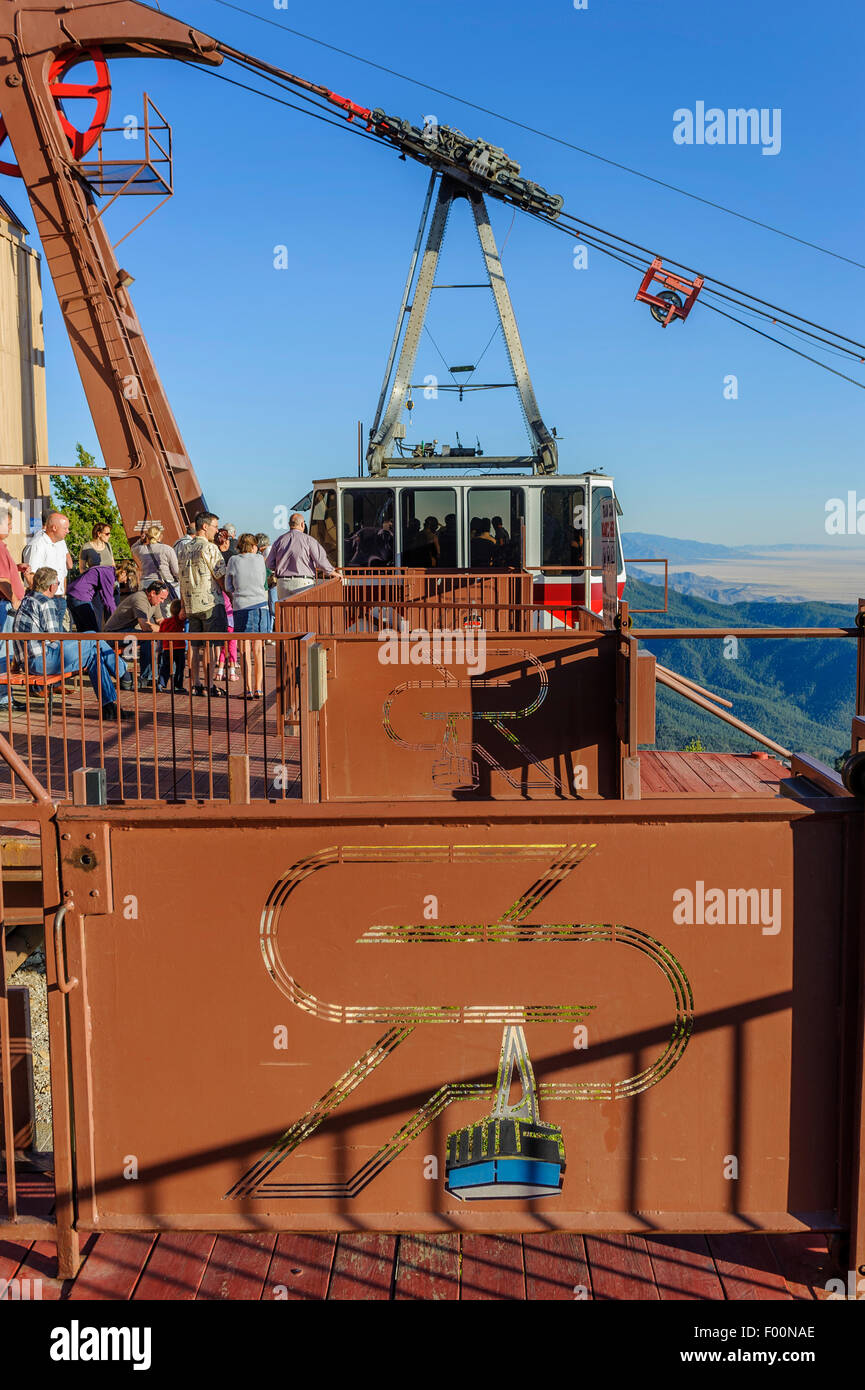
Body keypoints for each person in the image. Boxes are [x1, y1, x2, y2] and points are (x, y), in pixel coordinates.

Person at [13, 567, 129, 717]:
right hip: (42, 660)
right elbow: (55, 638)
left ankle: (109, 707)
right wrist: (76, 640)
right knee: (92, 637)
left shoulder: (28, 599)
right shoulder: (45, 603)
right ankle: (122, 672)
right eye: (58, 582)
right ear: (51, 586)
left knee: (93, 653)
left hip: (31, 661)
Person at [178, 512, 226, 696]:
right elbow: (220, 576)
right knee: (212, 645)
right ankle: (210, 684)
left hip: (191, 603)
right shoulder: (211, 548)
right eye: (214, 526)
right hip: (210, 602)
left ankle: (195, 683)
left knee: (195, 645)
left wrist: (183, 605)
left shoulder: (183, 548)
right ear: (205, 527)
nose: (216, 530)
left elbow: (181, 579)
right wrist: (229, 593)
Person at [103, 580, 170, 688]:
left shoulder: (154, 601)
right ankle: (147, 678)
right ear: (152, 593)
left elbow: (160, 621)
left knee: (151, 637)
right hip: (113, 634)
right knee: (147, 637)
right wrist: (165, 629)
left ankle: (151, 677)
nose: (162, 602)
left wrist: (172, 627)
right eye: (161, 598)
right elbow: (145, 626)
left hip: (126, 632)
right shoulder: (140, 598)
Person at [226, 532, 268, 697]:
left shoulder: (233, 560)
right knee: (258, 649)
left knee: (244, 649)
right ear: (253, 545)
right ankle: (259, 688)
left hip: (241, 606)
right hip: (260, 606)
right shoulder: (259, 559)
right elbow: (264, 582)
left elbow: (229, 586)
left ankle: (248, 689)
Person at [267, 513, 340, 600]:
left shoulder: (279, 540)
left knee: (286, 613)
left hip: (283, 583)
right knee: (303, 612)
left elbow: (269, 564)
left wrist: (281, 567)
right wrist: (334, 573)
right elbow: (321, 561)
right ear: (302, 524)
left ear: (289, 524)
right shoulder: (309, 540)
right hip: (303, 583)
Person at [23, 512, 72, 626]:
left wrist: (63, 595)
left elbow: (63, 572)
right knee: (49, 640)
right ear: (54, 528)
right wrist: (43, 600)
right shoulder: (37, 545)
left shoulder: (61, 543)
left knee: (58, 639)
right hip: (45, 600)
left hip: (60, 599)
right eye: (65, 528)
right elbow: (31, 576)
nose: (68, 531)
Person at [214, 529, 238, 682]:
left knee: (221, 639)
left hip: (215, 599)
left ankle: (219, 670)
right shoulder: (231, 557)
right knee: (232, 640)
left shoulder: (213, 553)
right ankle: (232, 671)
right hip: (229, 602)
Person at [133, 524, 179, 599]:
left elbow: (133, 548)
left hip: (146, 585)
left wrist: (141, 540)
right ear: (160, 536)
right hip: (163, 584)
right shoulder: (167, 549)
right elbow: (176, 571)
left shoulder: (141, 549)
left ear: (147, 536)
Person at [67, 564, 117, 633]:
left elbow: (105, 598)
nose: (125, 582)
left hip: (72, 595)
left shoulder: (105, 570)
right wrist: (116, 620)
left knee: (82, 631)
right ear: (123, 573)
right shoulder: (109, 574)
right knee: (92, 632)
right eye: (127, 579)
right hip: (81, 596)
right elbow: (109, 601)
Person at [0, 505, 26, 631]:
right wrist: (15, 601)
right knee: (6, 648)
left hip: (7, 603)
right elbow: (2, 580)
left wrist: (16, 568)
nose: (10, 527)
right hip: (6, 605)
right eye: (8, 524)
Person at [158, 599, 187, 693]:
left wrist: (159, 647)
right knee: (180, 667)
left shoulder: (165, 621)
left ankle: (161, 683)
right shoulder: (181, 621)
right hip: (179, 647)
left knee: (165, 666)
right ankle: (178, 685)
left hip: (167, 648)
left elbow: (160, 635)